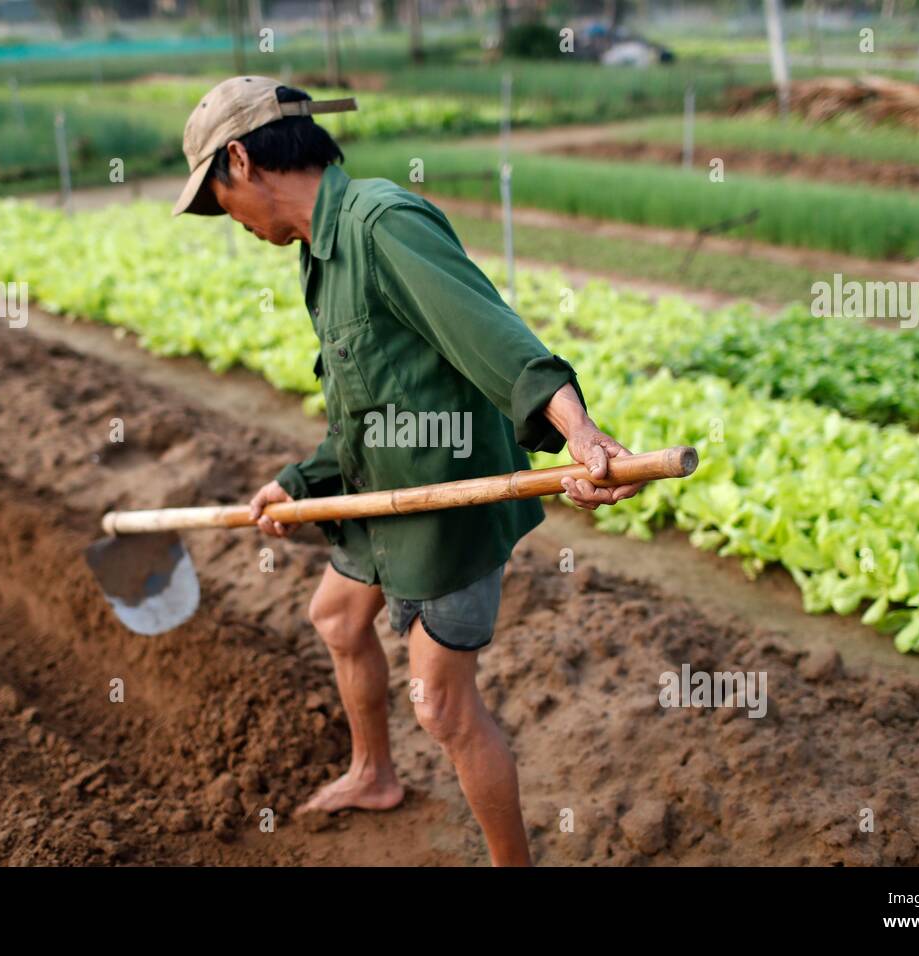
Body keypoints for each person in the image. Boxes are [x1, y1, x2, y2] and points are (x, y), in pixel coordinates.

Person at [172, 76, 644, 866]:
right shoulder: (320, 253)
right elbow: (368, 405)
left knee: (445, 709)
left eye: (217, 200)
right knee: (336, 618)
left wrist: (581, 436)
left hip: (445, 510)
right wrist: (300, 481)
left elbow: (495, 338)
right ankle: (373, 774)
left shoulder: (383, 226)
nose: (228, 220)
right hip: (381, 492)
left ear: (241, 161)